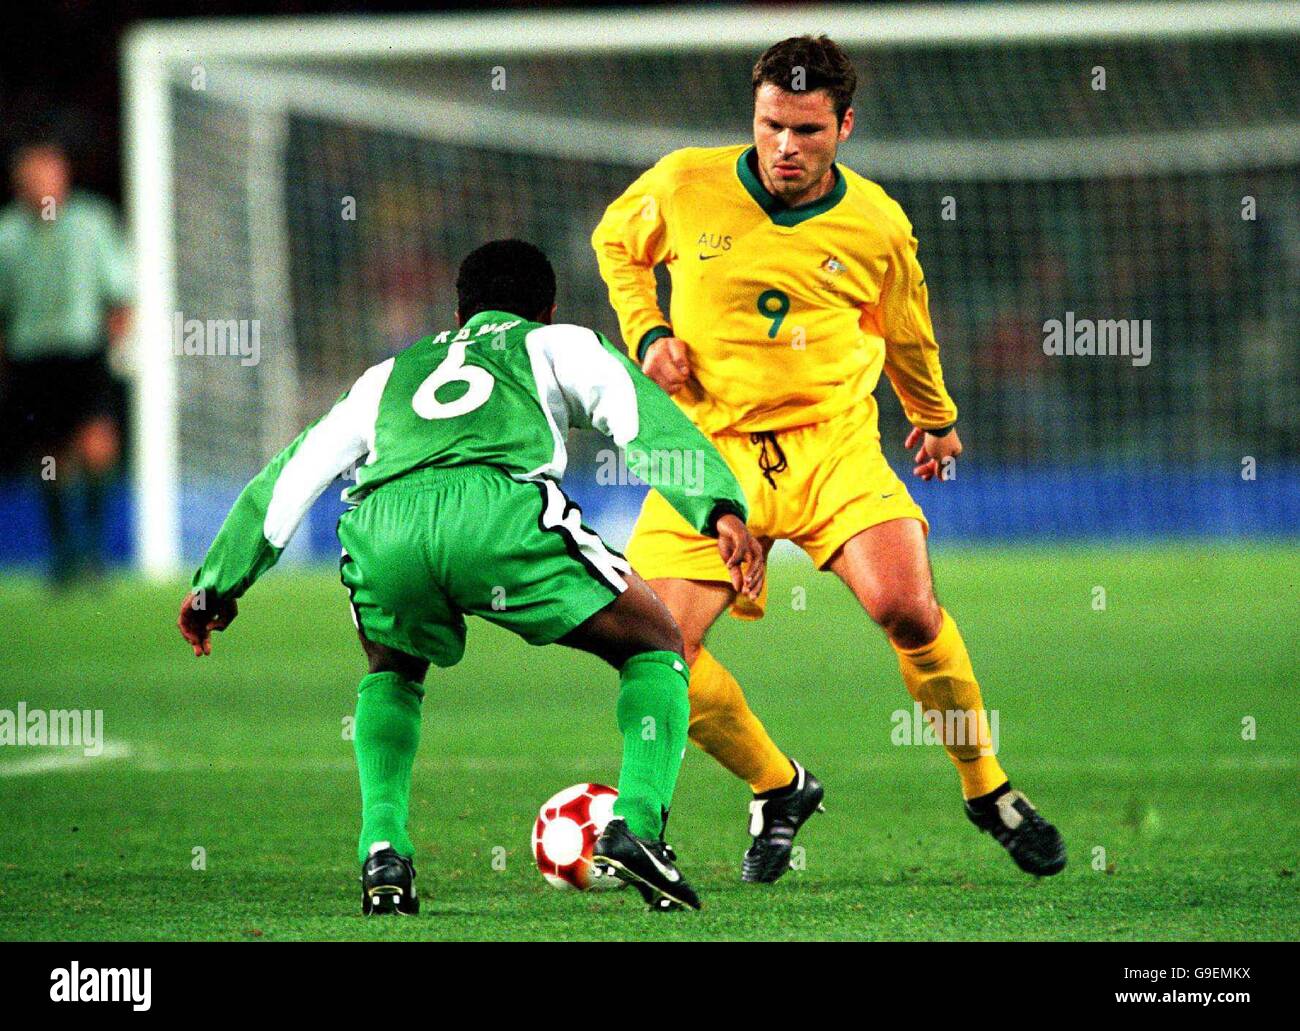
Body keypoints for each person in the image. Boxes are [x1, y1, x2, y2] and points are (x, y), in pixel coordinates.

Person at [591, 35, 1065, 883]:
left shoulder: (877, 223)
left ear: (844, 124)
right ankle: (780, 786)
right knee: (657, 650)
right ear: (755, 115)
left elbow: (907, 329)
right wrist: (649, 332)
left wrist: (935, 417)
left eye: (807, 129)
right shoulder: (685, 184)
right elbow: (615, 244)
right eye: (772, 124)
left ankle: (987, 788)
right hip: (711, 452)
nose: (785, 146)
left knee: (908, 608)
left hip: (832, 444)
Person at [177, 239, 765, 914]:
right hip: (498, 513)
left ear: (459, 312)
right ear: (546, 309)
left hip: (386, 524)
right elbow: (642, 418)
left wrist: (217, 584)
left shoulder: (389, 373)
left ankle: (383, 852)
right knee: (657, 641)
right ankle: (635, 825)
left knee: (392, 669)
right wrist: (716, 505)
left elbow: (294, 472)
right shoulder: (556, 343)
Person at [0, 142, 132, 584]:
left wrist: (112, 346)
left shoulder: (91, 223)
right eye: (31, 180)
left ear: (64, 179)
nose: (41, 189)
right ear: (19, 187)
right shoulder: (7, 236)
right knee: (51, 458)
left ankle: (93, 551)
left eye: (48, 177)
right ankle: (63, 555)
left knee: (97, 448)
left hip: (83, 353)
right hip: (32, 358)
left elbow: (119, 294)